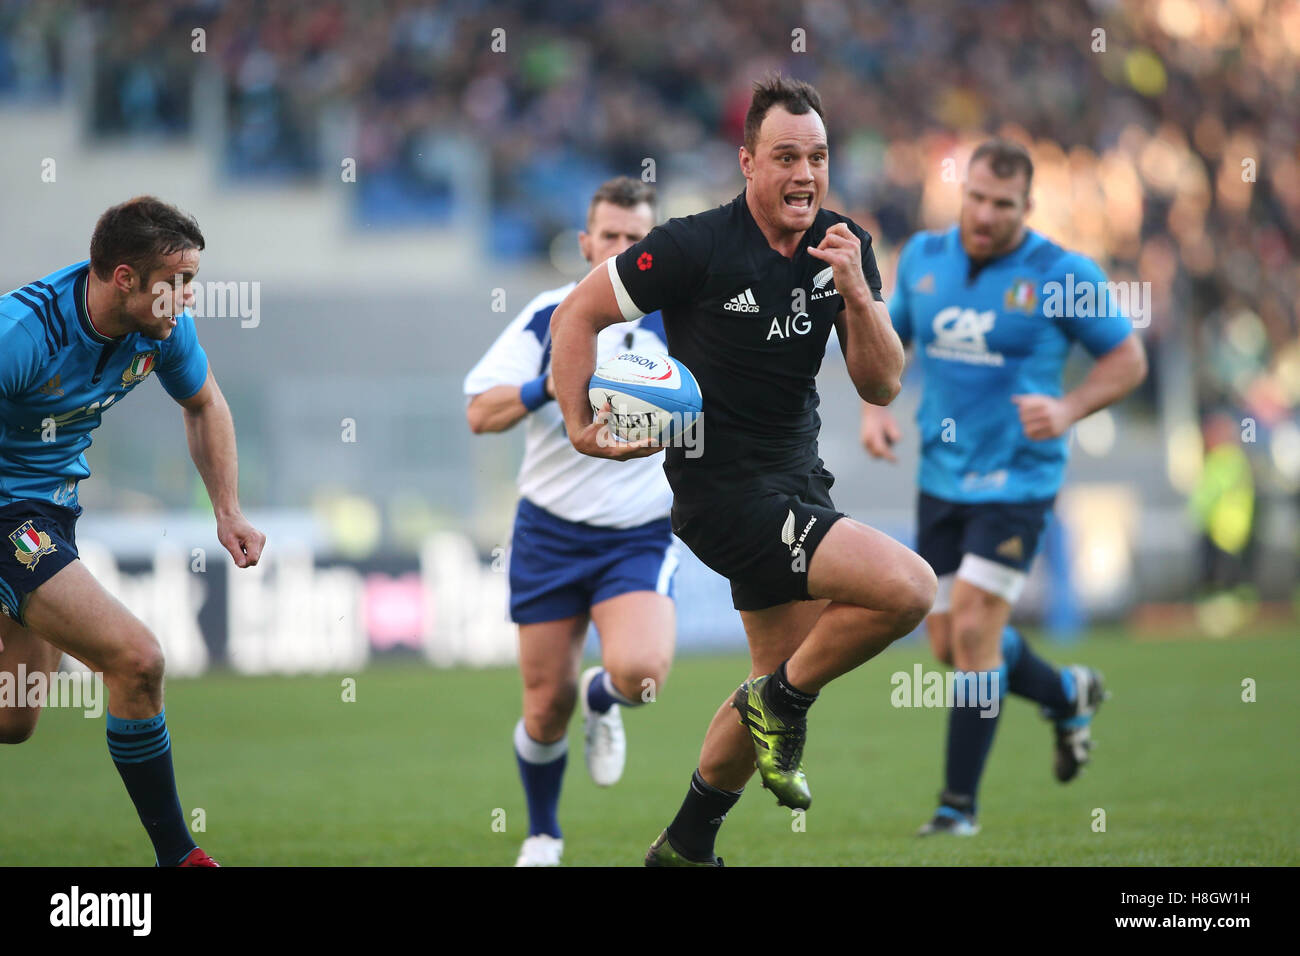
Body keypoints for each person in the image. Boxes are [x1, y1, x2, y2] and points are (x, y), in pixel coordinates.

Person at [550, 75, 936, 866]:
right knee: (910, 589)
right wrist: (577, 424)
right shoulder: (693, 245)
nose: (805, 174)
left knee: (768, 681)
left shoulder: (844, 246)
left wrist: (860, 294)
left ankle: (686, 845)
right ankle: (782, 703)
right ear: (749, 163)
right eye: (786, 156)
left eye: (818, 157)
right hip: (722, 496)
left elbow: (881, 383)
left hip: (799, 480)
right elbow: (576, 314)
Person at [860, 139, 1148, 835]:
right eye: (977, 199)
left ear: (1029, 206)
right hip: (941, 477)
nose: (986, 214)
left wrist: (1071, 408)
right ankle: (1066, 691)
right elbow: (887, 342)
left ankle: (956, 808)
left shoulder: (1060, 273)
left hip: (1018, 479)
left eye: (1003, 204)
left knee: (975, 628)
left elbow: (1128, 358)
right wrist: (875, 407)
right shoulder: (925, 257)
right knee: (949, 644)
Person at [0, 196, 265, 865]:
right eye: (177, 284)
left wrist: (227, 510)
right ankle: (181, 856)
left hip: (50, 515)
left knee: (13, 717)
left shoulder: (162, 330)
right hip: (9, 516)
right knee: (136, 658)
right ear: (125, 278)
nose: (186, 299)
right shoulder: (22, 335)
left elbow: (204, 403)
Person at [464, 177, 679, 867]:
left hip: (639, 530)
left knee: (641, 674)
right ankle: (544, 834)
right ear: (586, 244)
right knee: (543, 706)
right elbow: (478, 413)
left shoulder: (680, 321)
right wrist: (548, 384)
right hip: (550, 531)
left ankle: (604, 698)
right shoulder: (550, 316)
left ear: (655, 248)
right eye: (610, 237)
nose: (622, 250)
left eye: (637, 240)